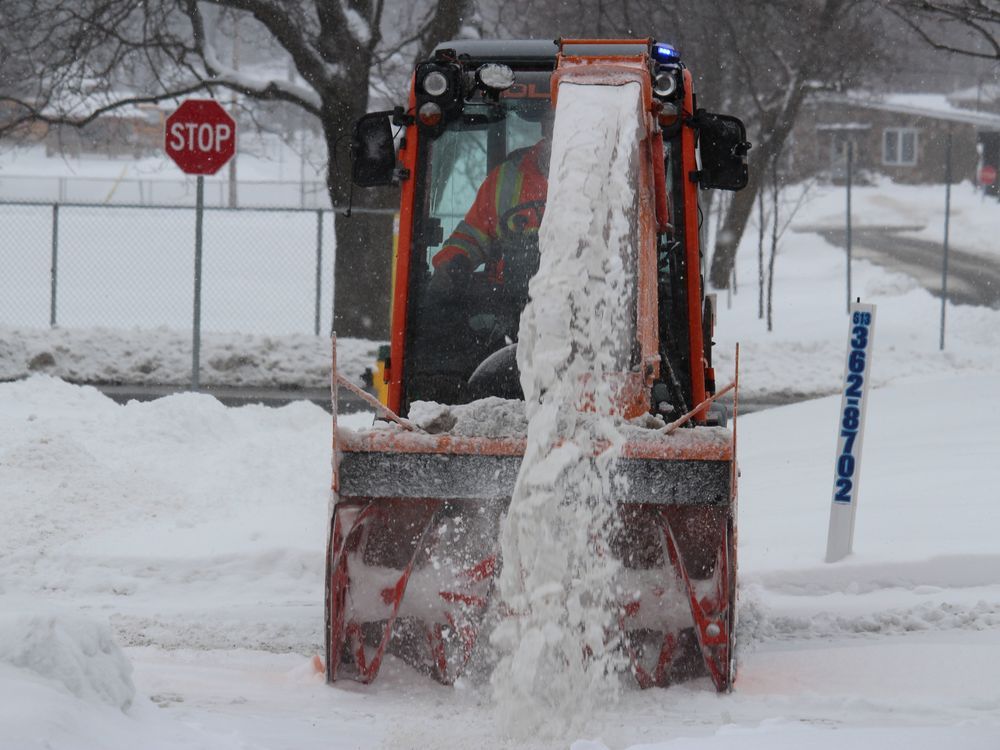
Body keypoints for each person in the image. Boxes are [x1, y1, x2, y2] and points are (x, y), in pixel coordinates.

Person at [429, 116, 553, 297]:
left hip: (581, 306)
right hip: (505, 300)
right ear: (546, 128)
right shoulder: (507, 178)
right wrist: (453, 264)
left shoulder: (602, 182)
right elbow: (472, 237)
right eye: (555, 124)